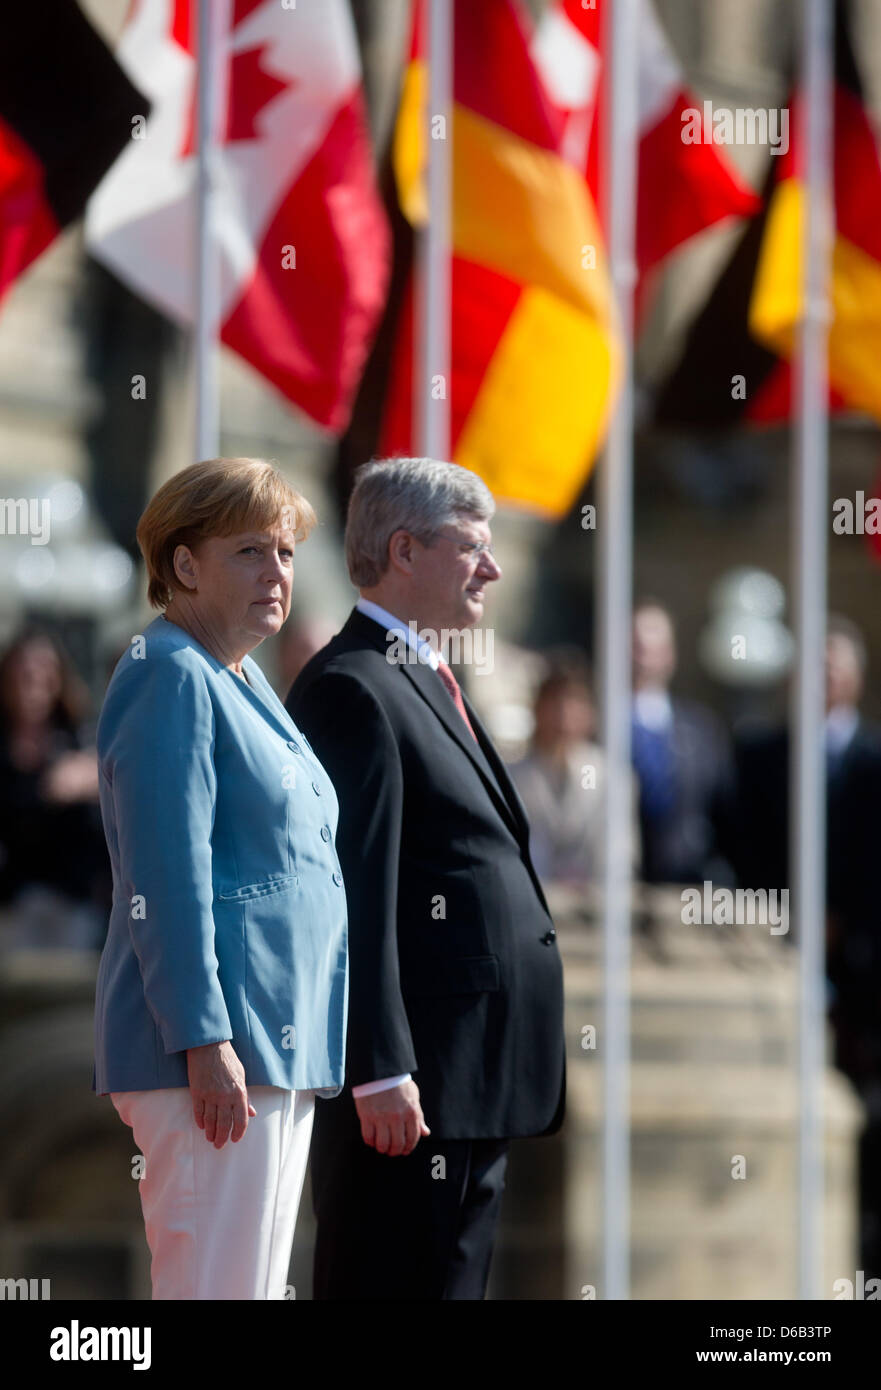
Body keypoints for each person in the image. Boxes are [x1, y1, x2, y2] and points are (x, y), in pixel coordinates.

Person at [286, 456, 565, 1301]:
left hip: (466, 1079)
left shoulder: (424, 675)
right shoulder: (354, 686)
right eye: (473, 546)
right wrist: (377, 1067)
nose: (494, 566)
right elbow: (349, 895)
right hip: (411, 1092)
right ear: (404, 552)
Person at [92, 457, 348, 1301]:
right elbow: (167, 874)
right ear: (184, 565)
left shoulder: (238, 676)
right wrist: (205, 1039)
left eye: (284, 552)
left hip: (271, 1040)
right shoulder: (170, 670)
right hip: (214, 1051)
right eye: (249, 551)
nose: (277, 572)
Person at [0, 630, 110, 948]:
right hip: (15, 903)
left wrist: (93, 777)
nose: (32, 680)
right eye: (23, 672)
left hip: (76, 901)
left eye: (42, 670)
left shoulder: (81, 736)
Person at [509, 654, 640, 888]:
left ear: (591, 712)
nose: (564, 714)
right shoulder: (511, 777)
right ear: (537, 708)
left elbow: (619, 858)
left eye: (575, 702)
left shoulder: (612, 777)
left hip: (591, 911)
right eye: (555, 702)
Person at [630, 600, 735, 885]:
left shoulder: (702, 729)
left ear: (670, 655)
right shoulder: (596, 724)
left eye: (654, 649)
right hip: (619, 886)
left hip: (687, 884)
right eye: (635, 646)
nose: (643, 659)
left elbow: (723, 809)